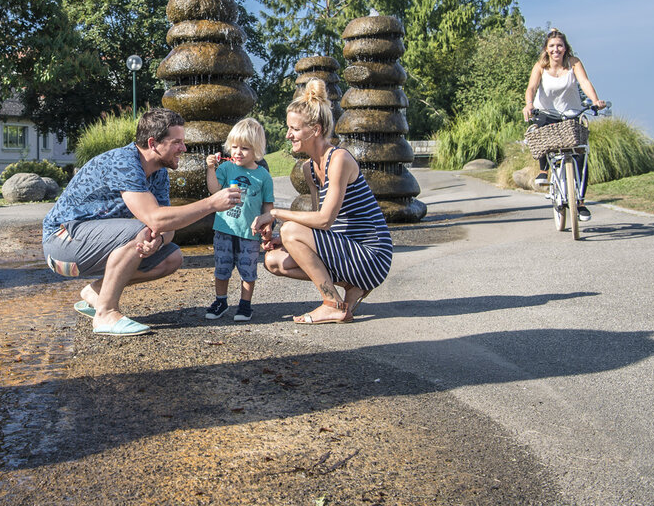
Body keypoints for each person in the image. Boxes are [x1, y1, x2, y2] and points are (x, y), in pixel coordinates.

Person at [43, 108, 243, 336]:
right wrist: (211, 203)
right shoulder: (123, 162)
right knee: (141, 230)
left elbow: (166, 227)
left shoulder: (158, 173)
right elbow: (156, 219)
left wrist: (156, 243)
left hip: (88, 247)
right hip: (61, 244)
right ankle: (105, 315)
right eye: (177, 142)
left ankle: (96, 293)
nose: (184, 148)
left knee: (171, 257)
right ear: (153, 143)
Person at [263, 80, 393, 324]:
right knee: (274, 261)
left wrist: (276, 214)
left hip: (373, 253)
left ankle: (332, 303)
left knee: (290, 229)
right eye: (288, 128)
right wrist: (284, 241)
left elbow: (324, 220)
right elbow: (319, 223)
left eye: (294, 129)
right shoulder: (309, 168)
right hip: (347, 250)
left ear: (316, 130)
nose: (288, 134)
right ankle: (352, 287)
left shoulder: (339, 159)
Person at [522, 28, 606, 221]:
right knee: (540, 132)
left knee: (580, 154)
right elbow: (531, 87)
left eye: (559, 45)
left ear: (565, 47)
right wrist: (529, 104)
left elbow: (584, 82)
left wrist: (595, 100)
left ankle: (581, 202)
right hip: (546, 112)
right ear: (546, 49)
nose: (556, 49)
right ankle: (544, 170)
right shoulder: (541, 66)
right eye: (552, 46)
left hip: (570, 114)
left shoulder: (573, 63)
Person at [203, 118, 274, 322]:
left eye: (245, 148)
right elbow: (214, 190)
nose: (237, 152)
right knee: (222, 268)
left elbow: (268, 206)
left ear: (257, 150)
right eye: (234, 147)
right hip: (224, 228)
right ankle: (221, 301)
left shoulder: (263, 176)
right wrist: (210, 169)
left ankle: (245, 305)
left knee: (248, 269)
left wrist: (267, 223)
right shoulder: (226, 169)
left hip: (249, 234)